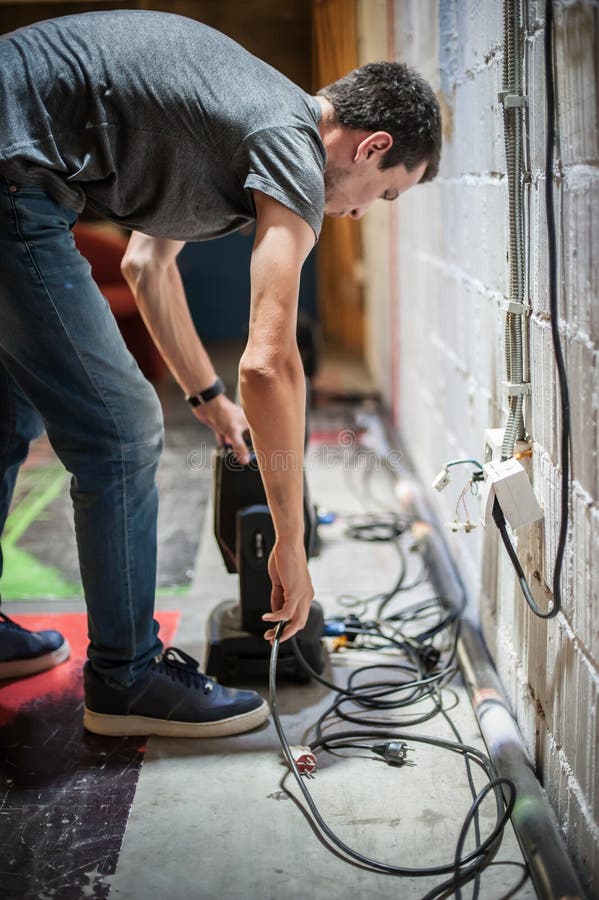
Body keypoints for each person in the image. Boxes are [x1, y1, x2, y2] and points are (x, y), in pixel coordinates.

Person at [0, 10, 441, 737]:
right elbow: (269, 365)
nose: (363, 213)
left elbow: (147, 265)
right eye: (384, 191)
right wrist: (290, 546)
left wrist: (207, 399)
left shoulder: (237, 121)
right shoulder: (288, 145)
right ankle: (127, 677)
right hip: (17, 177)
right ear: (372, 145)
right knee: (119, 432)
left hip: (19, 163)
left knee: (12, 413)